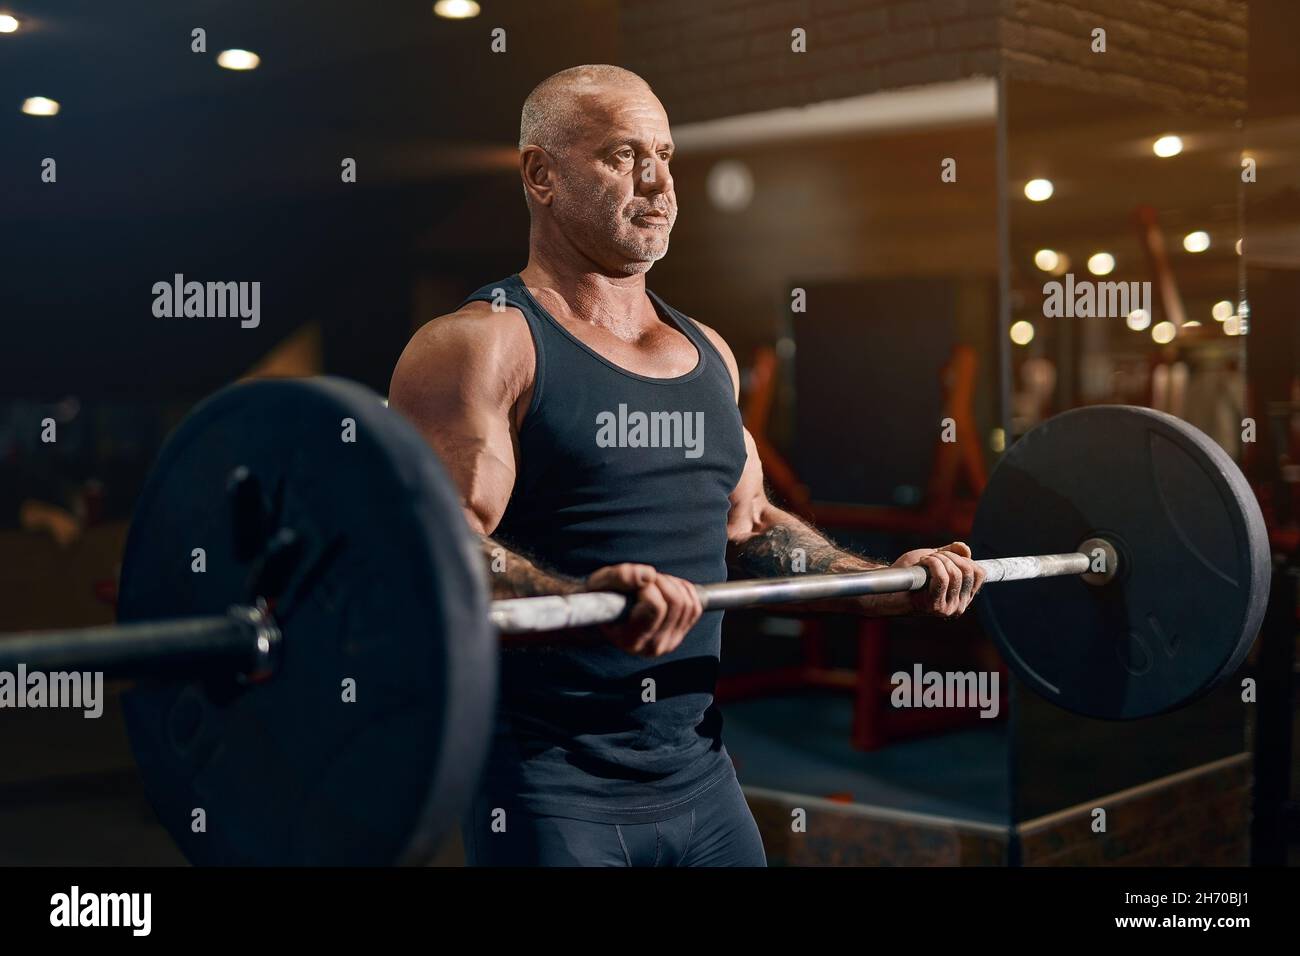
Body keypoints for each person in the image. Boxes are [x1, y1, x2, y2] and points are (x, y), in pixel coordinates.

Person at [389, 65, 986, 867]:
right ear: (541, 175)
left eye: (666, 156)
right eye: (622, 155)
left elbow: (751, 525)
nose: (659, 182)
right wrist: (583, 603)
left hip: (703, 778)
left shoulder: (706, 354)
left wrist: (886, 585)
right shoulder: (481, 344)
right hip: (552, 788)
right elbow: (440, 541)